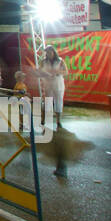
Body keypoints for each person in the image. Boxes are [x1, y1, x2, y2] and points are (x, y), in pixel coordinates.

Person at [38, 44, 68, 176]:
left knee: (58, 101)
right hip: (48, 83)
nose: (48, 54)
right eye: (46, 52)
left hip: (57, 82)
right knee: (48, 101)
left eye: (49, 52)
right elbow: (39, 71)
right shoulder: (43, 62)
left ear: (53, 52)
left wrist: (57, 73)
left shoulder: (60, 61)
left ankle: (59, 120)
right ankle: (48, 120)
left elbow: (66, 72)